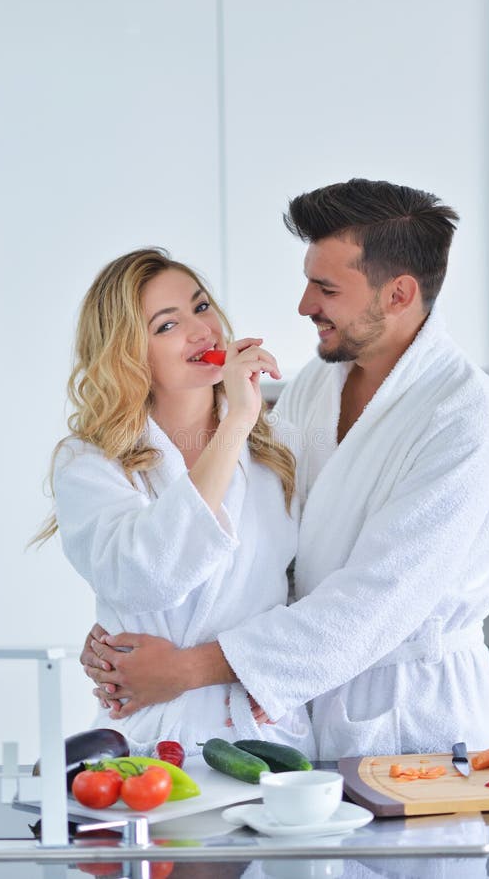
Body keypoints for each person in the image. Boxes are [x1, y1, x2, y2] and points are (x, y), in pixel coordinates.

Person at [81, 179, 489, 759]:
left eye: (327, 287)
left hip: (415, 717)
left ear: (398, 294)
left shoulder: (467, 416)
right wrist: (137, 627)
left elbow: (379, 601)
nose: (304, 305)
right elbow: (264, 539)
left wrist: (189, 668)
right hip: (297, 701)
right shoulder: (320, 383)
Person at [36, 247, 315, 757]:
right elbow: (146, 576)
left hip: (260, 732)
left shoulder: (281, 449)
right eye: (167, 325)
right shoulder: (91, 464)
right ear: (127, 353)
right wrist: (235, 425)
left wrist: (277, 669)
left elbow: (311, 592)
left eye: (202, 307)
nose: (201, 331)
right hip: (152, 741)